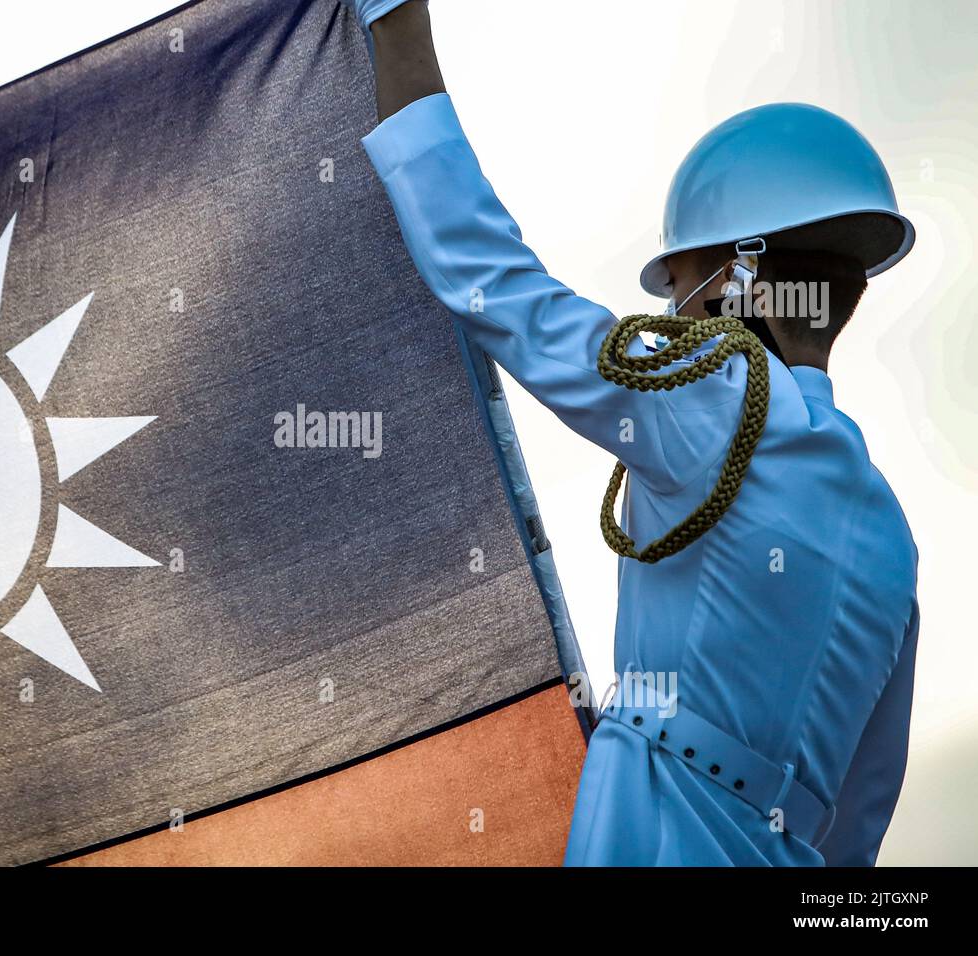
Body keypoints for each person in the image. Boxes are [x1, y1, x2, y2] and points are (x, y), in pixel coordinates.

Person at [341, 0, 920, 865]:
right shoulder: (894, 541)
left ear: (738, 272)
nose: (668, 305)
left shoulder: (710, 404)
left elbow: (490, 279)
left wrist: (395, 23)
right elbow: (858, 831)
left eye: (678, 277)